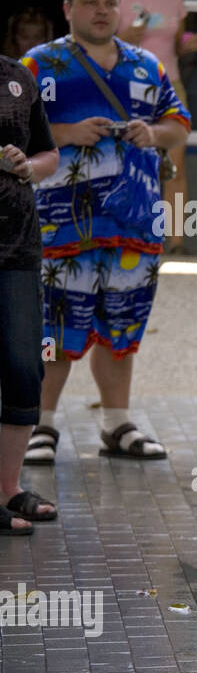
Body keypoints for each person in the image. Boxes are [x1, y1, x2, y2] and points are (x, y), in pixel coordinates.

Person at [21, 0, 191, 465]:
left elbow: (179, 123)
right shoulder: (39, 65)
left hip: (134, 226)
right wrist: (67, 132)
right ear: (68, 9)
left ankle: (117, 423)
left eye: (110, 3)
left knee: (123, 326)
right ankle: (40, 425)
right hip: (59, 228)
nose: (101, 11)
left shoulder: (146, 66)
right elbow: (10, 129)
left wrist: (152, 134)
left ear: (121, 9)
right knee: (53, 329)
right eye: (90, 2)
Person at [1, 54, 60, 533]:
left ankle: (9, 489)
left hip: (18, 249)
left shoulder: (18, 77)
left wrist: (28, 165)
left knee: (23, 365)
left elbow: (48, 153)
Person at [117, 0, 197, 254]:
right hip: (130, 86)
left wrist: (188, 43)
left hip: (170, 84)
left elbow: (177, 41)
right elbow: (103, 47)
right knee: (132, 162)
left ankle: (175, 241)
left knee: (174, 164)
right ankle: (133, 235)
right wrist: (127, 37)